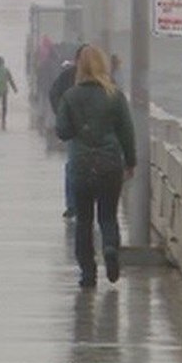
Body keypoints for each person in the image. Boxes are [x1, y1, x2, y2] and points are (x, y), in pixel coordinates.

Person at [54, 45, 136, 288]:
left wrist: (79, 127)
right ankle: (110, 249)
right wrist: (130, 162)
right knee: (108, 216)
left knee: (84, 221)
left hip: (81, 165)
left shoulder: (70, 96)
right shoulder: (115, 95)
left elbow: (62, 131)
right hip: (110, 163)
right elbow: (127, 132)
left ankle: (88, 274)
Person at [49, 44, 86, 220]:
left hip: (91, 132)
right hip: (76, 131)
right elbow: (54, 94)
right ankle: (73, 205)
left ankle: (80, 205)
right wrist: (62, 116)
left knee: (77, 167)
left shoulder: (102, 78)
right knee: (73, 166)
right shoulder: (68, 76)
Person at [0, 56, 18, 130]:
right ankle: (3, 120)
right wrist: (15, 89)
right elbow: (10, 80)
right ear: (3, 63)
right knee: (4, 106)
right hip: (4, 90)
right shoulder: (6, 70)